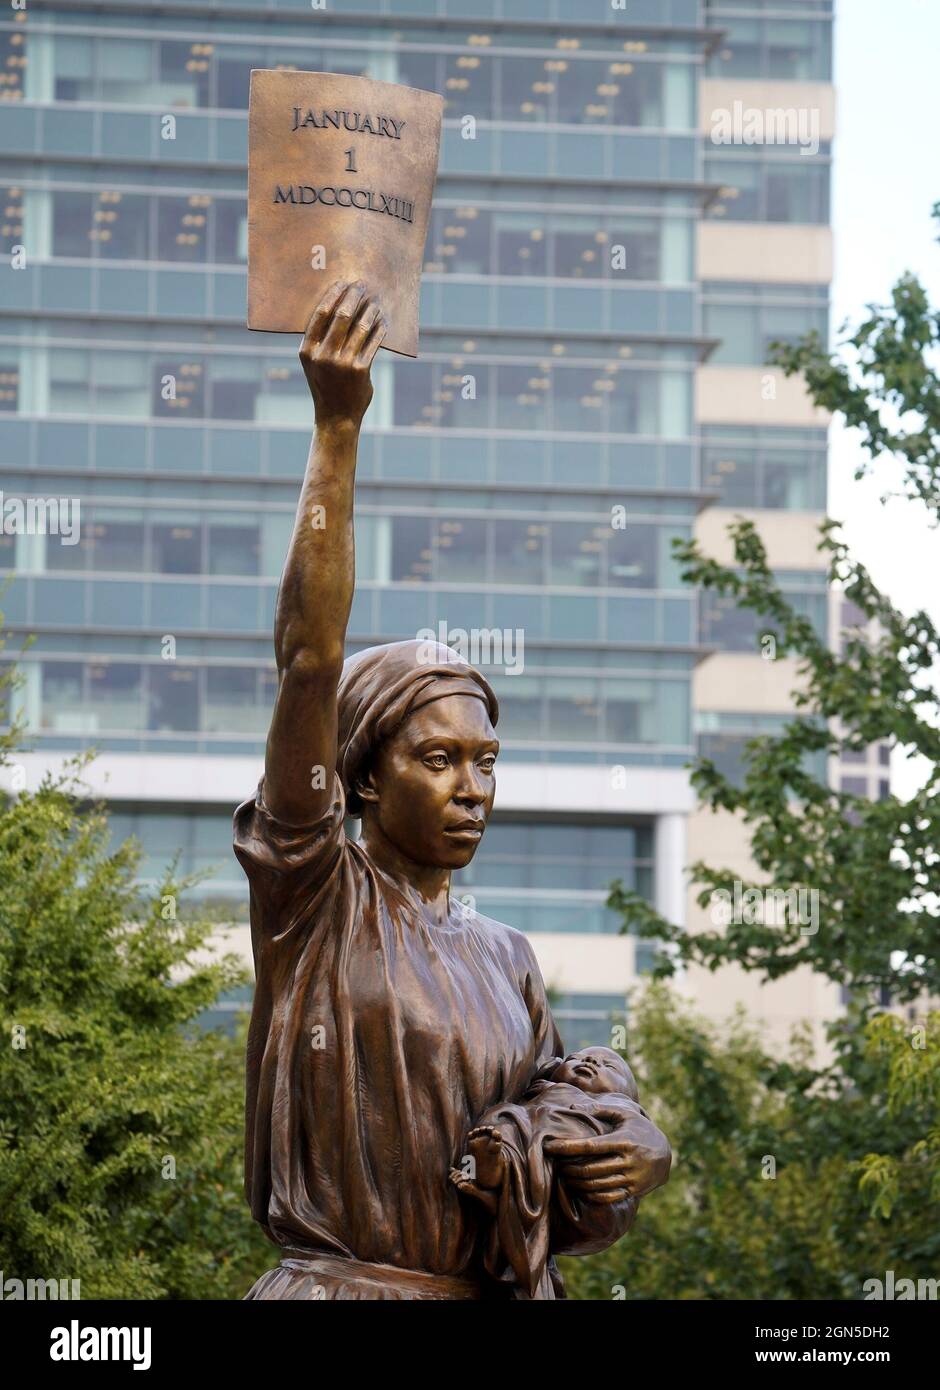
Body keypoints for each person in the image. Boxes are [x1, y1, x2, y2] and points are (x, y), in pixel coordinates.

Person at [234, 280, 671, 1300]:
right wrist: (338, 428)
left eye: (486, 762)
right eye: (437, 759)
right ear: (363, 774)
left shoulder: (506, 957)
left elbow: (556, 1130)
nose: (472, 786)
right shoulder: (312, 897)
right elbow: (309, 658)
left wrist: (640, 1147)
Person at [450, 1046, 671, 1299]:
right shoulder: (539, 1089)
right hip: (536, 1164)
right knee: (504, 1119)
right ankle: (497, 1172)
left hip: (587, 1188)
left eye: (608, 1066)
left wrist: (654, 1144)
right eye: (576, 1058)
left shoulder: (616, 1105)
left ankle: (503, 1176)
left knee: (539, 1129)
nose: (589, 1060)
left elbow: (637, 1127)